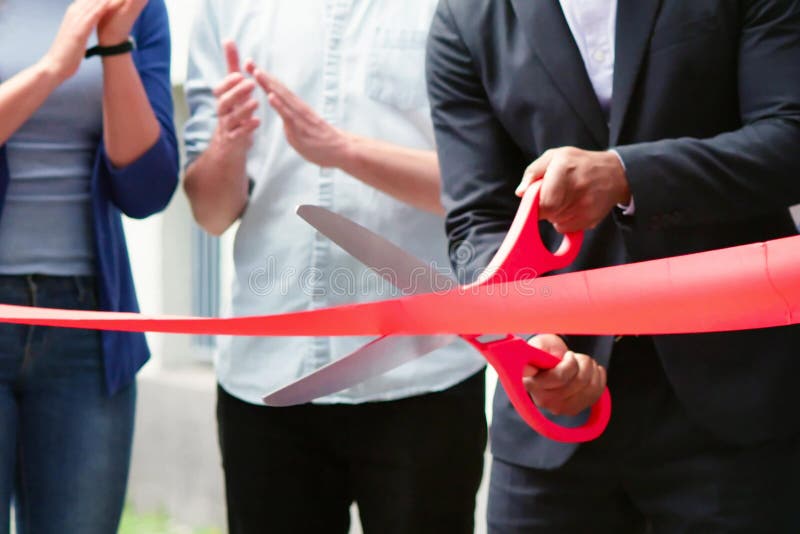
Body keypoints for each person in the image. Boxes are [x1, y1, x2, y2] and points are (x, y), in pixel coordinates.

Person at [427, 0, 800, 532]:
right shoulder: (465, 16)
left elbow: (790, 138)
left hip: (731, 401)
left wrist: (630, 175)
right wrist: (527, 339)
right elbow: (476, 219)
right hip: (551, 424)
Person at [183, 1, 486, 533]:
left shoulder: (455, 8)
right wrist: (227, 146)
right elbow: (210, 214)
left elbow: (482, 189)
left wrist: (344, 152)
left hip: (419, 375)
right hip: (268, 379)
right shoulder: (226, 9)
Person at [0, 0, 178, 532]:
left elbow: (148, 188)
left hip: (87, 328)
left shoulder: (135, 7)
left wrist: (115, 46)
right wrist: (55, 66)